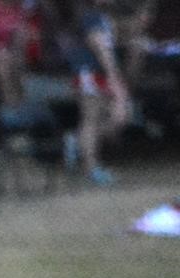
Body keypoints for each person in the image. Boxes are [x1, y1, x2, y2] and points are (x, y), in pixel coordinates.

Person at [61, 0, 130, 184]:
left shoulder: (104, 18)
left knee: (117, 118)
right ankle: (91, 167)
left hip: (100, 74)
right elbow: (99, 46)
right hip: (89, 73)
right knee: (91, 118)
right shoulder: (90, 17)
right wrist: (113, 75)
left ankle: (76, 142)